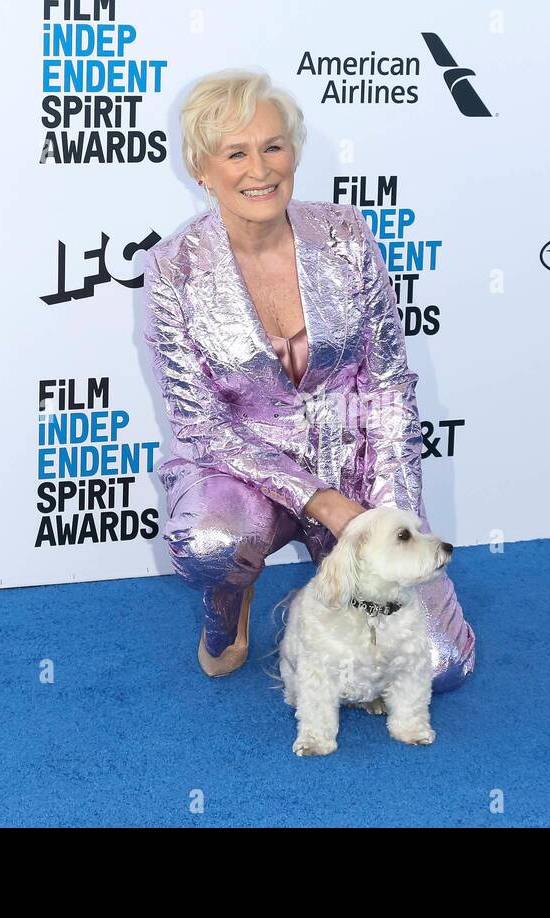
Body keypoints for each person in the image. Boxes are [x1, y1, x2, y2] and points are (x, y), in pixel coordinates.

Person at [141, 68, 475, 692]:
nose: (259, 169)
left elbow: (389, 385)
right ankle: (231, 595)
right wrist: (321, 502)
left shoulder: (346, 236)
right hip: (241, 470)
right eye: (235, 153)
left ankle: (351, 609)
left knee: (437, 670)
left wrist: (389, 518)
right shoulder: (172, 270)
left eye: (273, 146)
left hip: (356, 463)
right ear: (201, 169)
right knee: (214, 541)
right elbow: (201, 426)